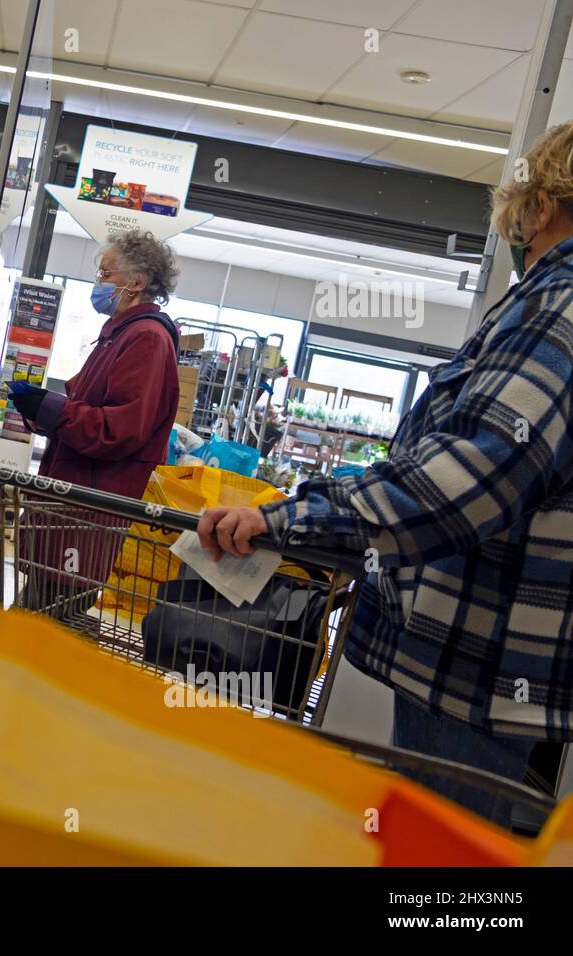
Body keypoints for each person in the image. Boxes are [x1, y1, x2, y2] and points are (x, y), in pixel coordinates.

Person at [194, 121, 573, 824]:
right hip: (496, 674)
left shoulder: (558, 304)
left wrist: (296, 518)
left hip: (477, 678)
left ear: (540, 205)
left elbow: (474, 478)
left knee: (443, 879)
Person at [9, 229, 182, 617]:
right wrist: (43, 410)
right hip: (73, 506)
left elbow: (117, 430)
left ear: (136, 283)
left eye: (106, 275)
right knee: (41, 618)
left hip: (89, 513)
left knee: (42, 623)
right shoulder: (120, 335)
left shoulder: (147, 339)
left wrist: (55, 411)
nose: (98, 284)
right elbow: (88, 405)